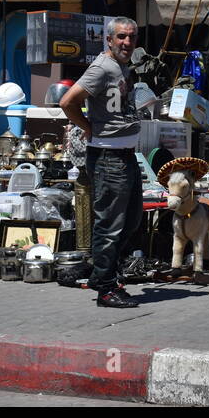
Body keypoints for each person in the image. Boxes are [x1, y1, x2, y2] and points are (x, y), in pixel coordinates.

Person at [60, 17, 145, 309]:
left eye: (131, 37)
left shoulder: (123, 67)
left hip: (125, 156)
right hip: (108, 158)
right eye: (121, 37)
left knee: (132, 219)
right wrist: (86, 126)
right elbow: (67, 101)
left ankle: (101, 272)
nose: (127, 43)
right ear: (109, 40)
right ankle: (106, 289)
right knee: (109, 224)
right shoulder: (101, 68)